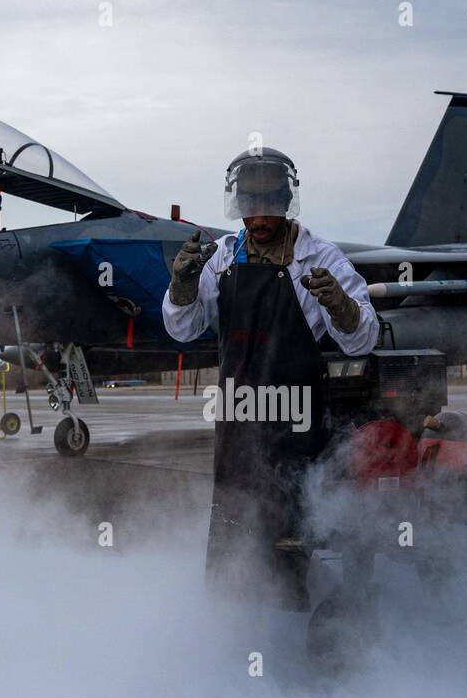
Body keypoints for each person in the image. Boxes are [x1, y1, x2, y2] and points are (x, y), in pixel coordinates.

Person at [161, 147, 378, 602]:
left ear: (285, 202)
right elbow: (183, 328)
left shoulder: (319, 257)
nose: (258, 218)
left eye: (268, 207)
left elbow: (363, 340)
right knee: (238, 533)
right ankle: (239, 625)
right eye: (249, 207)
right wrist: (181, 285)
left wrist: (340, 305)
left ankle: (317, 632)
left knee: (298, 533)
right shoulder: (221, 256)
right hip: (239, 423)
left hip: (300, 422)